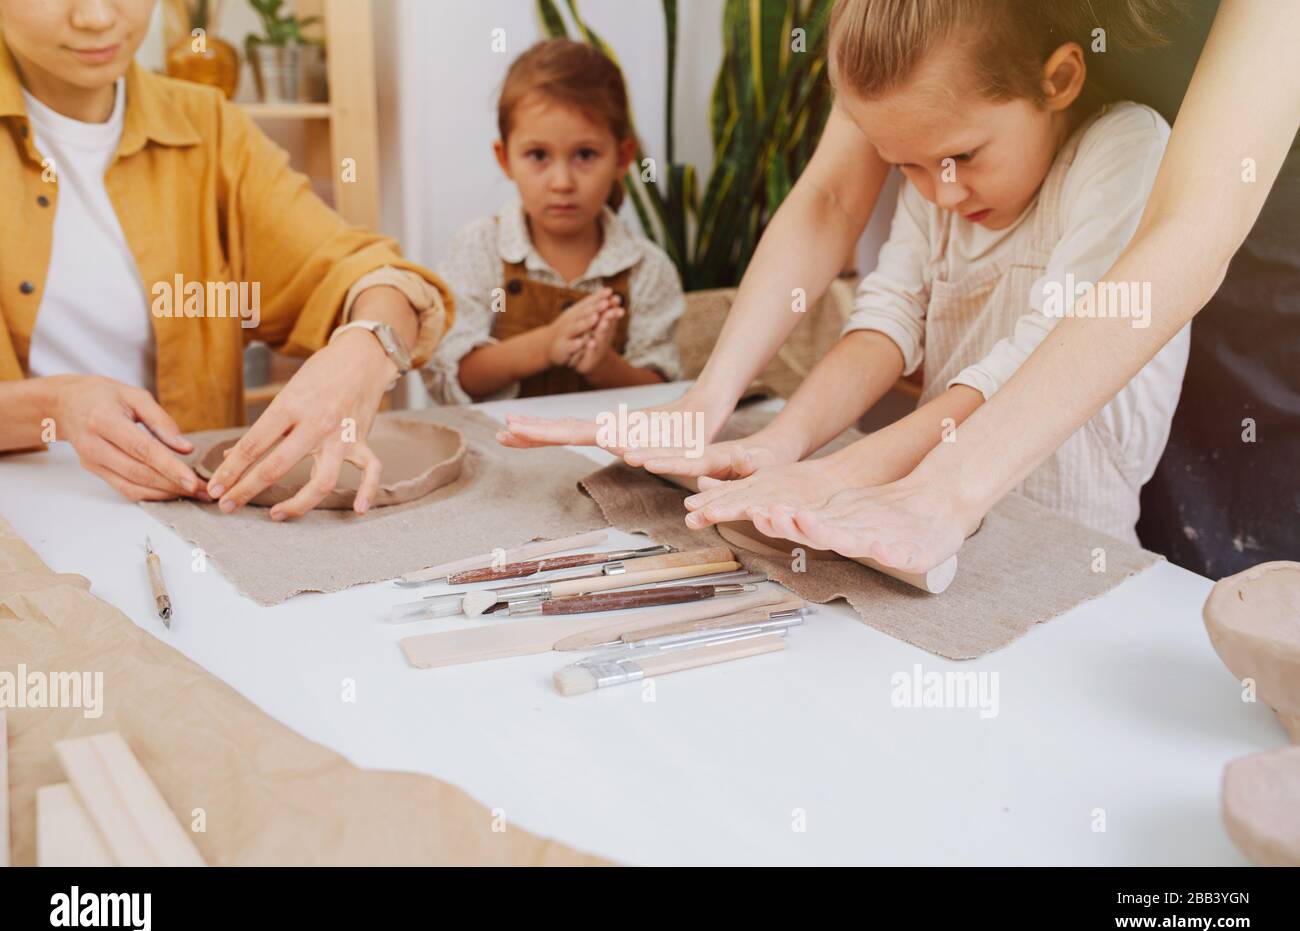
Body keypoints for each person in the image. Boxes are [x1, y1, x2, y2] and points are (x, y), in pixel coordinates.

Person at [498, 0, 1300, 575]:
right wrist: (737, 420)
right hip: (966, 518)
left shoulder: (1122, 153)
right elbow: (867, 277)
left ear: (1058, 79)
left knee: (1226, 578)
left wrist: (862, 473)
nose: (933, 191)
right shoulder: (939, 161)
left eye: (954, 159)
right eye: (903, 167)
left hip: (1233, 244)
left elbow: (1177, 243)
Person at [0, 0, 452, 521]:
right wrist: (54, 407)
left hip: (191, 523)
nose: (98, 17)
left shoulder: (209, 127)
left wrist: (366, 347)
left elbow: (368, 274)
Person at [423, 38, 682, 405]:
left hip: (609, 457)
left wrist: (603, 365)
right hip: (500, 455)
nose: (562, 182)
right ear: (505, 158)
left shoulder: (648, 269)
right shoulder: (479, 248)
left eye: (585, 155)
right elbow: (452, 378)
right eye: (538, 155)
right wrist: (545, 346)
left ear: (622, 158)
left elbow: (665, 393)